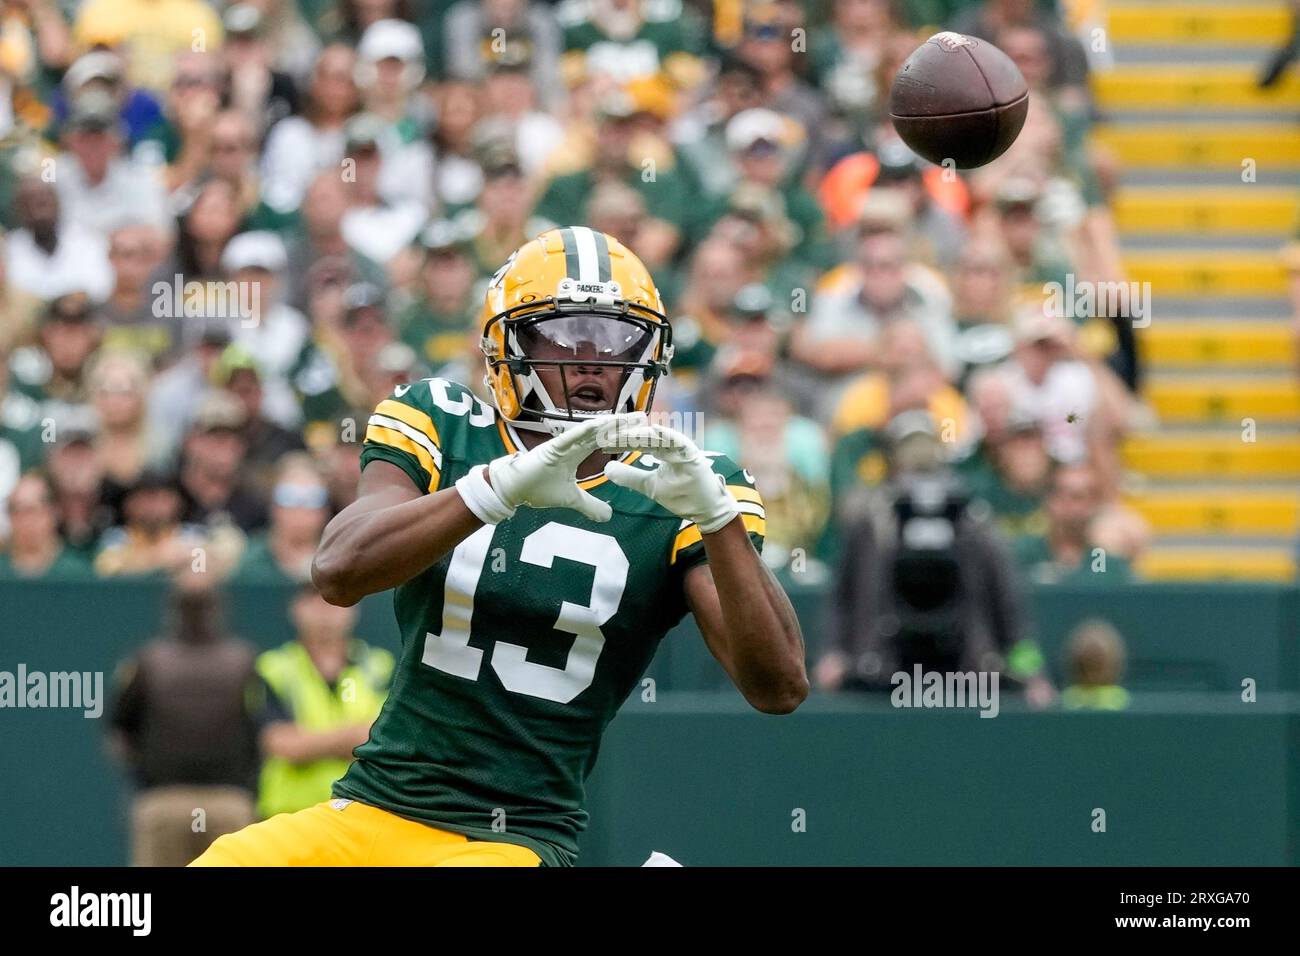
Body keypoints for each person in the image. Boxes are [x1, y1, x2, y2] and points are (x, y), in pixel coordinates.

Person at [192, 226, 807, 867]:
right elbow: (339, 571)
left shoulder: (679, 483)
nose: (593, 358)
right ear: (506, 345)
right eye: (567, 334)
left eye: (618, 338)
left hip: (514, 837)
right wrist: (492, 490)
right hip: (373, 808)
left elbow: (778, 687)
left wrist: (719, 522)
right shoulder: (445, 419)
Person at [107, 570, 261, 867]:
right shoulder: (244, 660)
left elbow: (119, 733)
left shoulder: (147, 661)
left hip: (167, 803)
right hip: (223, 802)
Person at [251, 584, 393, 818]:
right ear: (295, 608)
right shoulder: (273, 668)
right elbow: (282, 744)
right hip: (290, 817)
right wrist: (351, 738)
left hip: (363, 812)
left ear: (354, 610)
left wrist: (311, 742)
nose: (325, 609)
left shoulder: (379, 666)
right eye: (314, 599)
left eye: (336, 599)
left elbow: (387, 740)